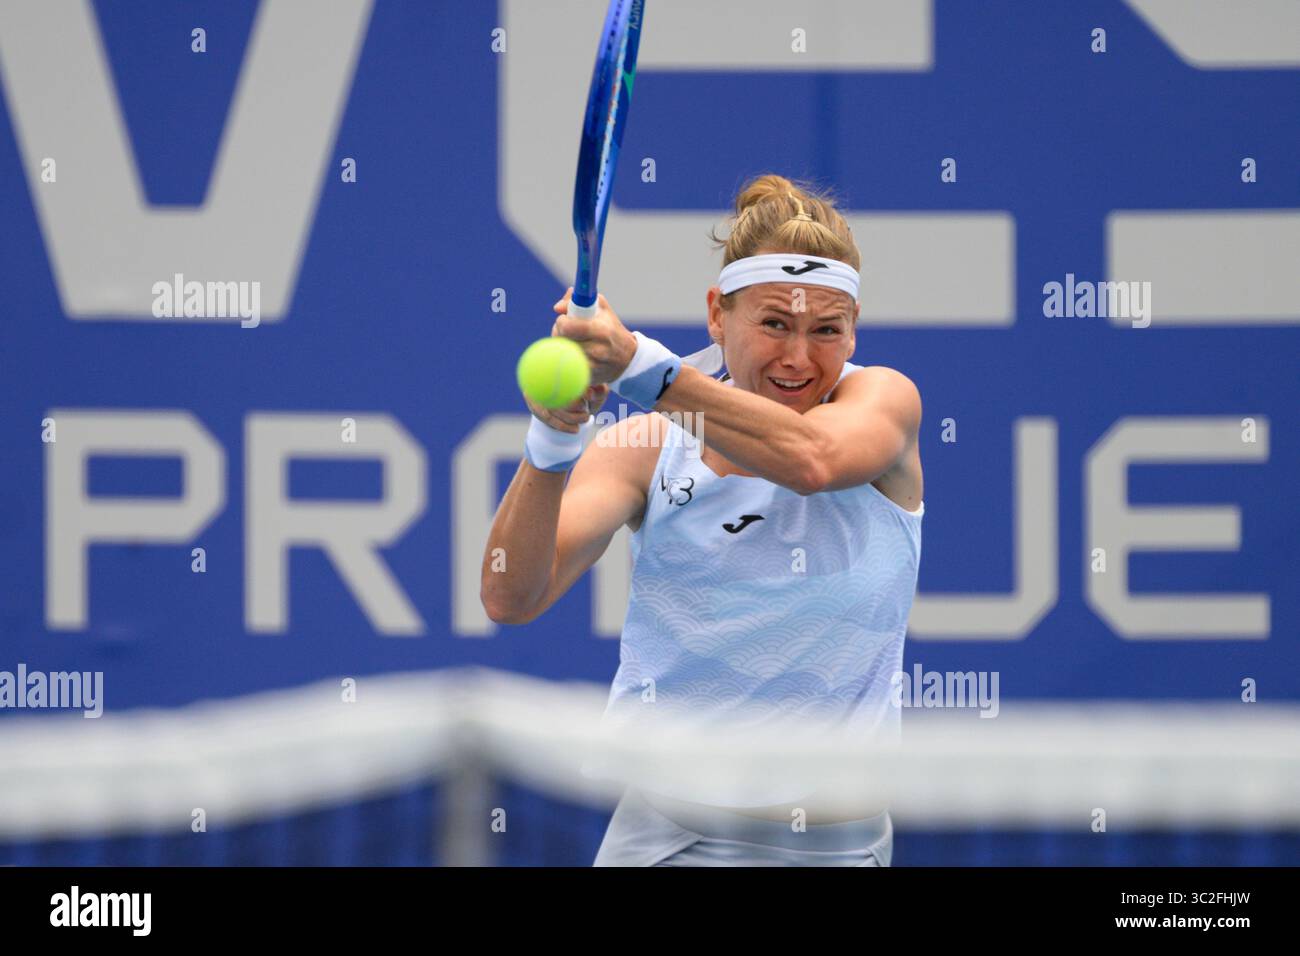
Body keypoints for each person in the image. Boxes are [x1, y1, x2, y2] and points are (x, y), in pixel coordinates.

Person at [481, 174, 923, 866]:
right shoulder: (647, 448)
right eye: (774, 323)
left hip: (835, 847)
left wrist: (637, 366)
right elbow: (511, 593)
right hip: (665, 837)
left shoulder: (885, 403)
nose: (799, 358)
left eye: (826, 330)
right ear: (718, 315)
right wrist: (554, 440)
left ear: (853, 329)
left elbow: (811, 460)